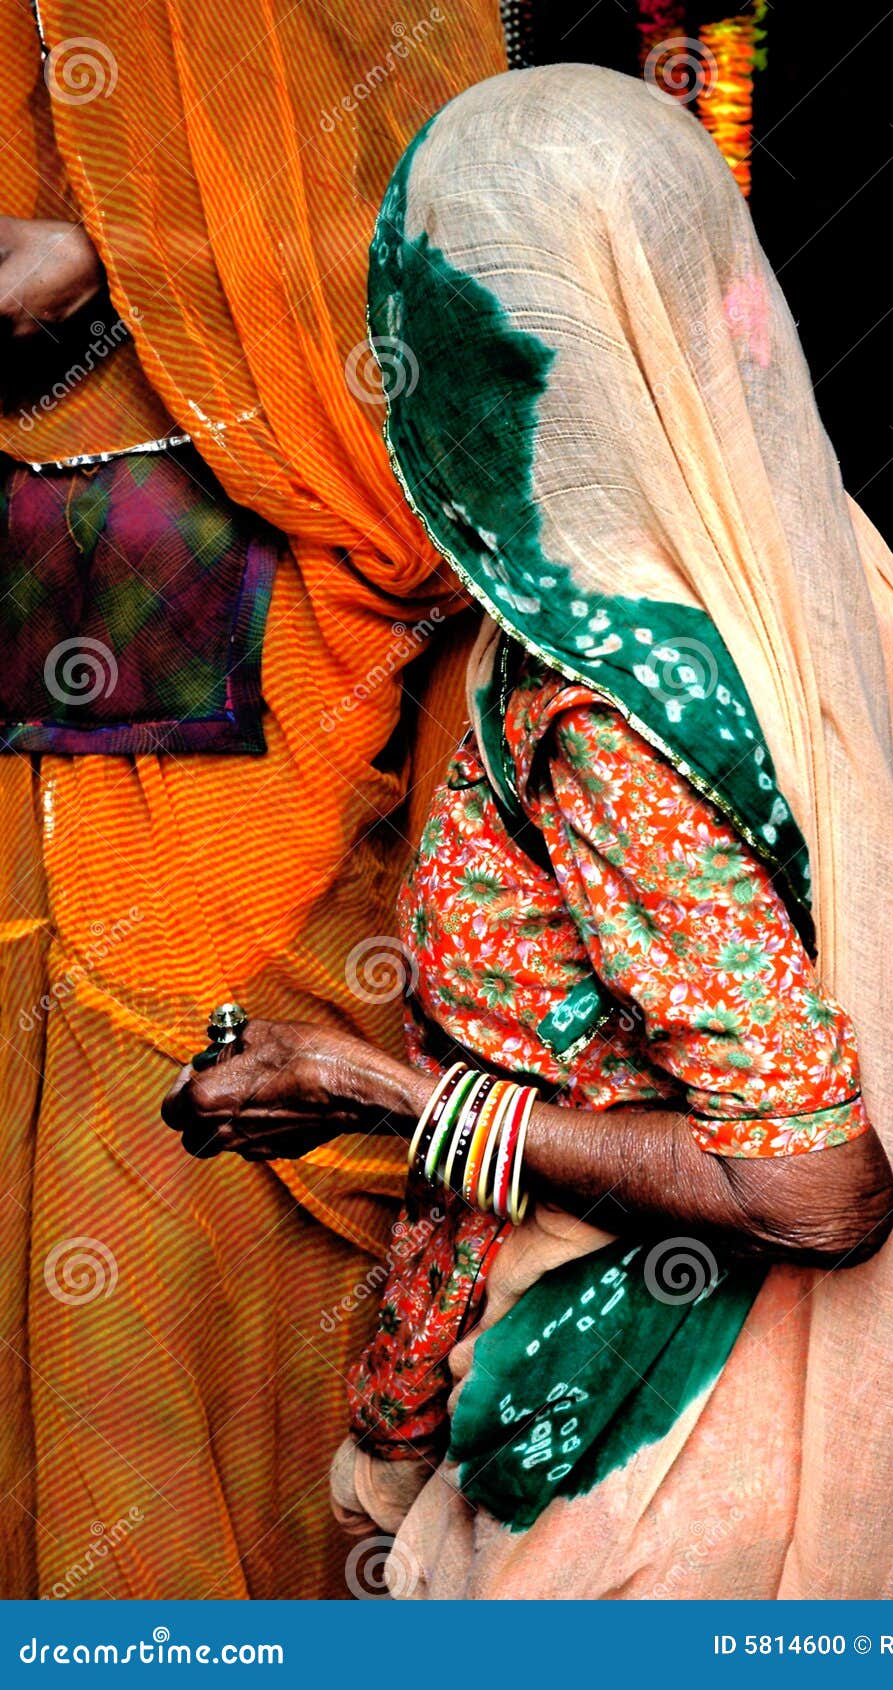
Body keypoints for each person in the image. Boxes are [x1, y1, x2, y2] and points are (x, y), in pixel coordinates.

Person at [162, 64, 893, 1599]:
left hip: (664, 1455)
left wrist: (374, 1087)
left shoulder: (600, 715)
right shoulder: (799, 541)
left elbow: (821, 1186)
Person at [0, 0, 506, 1599]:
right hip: (65, 604)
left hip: (262, 607)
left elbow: (447, 254)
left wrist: (113, 252)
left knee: (178, 1171)